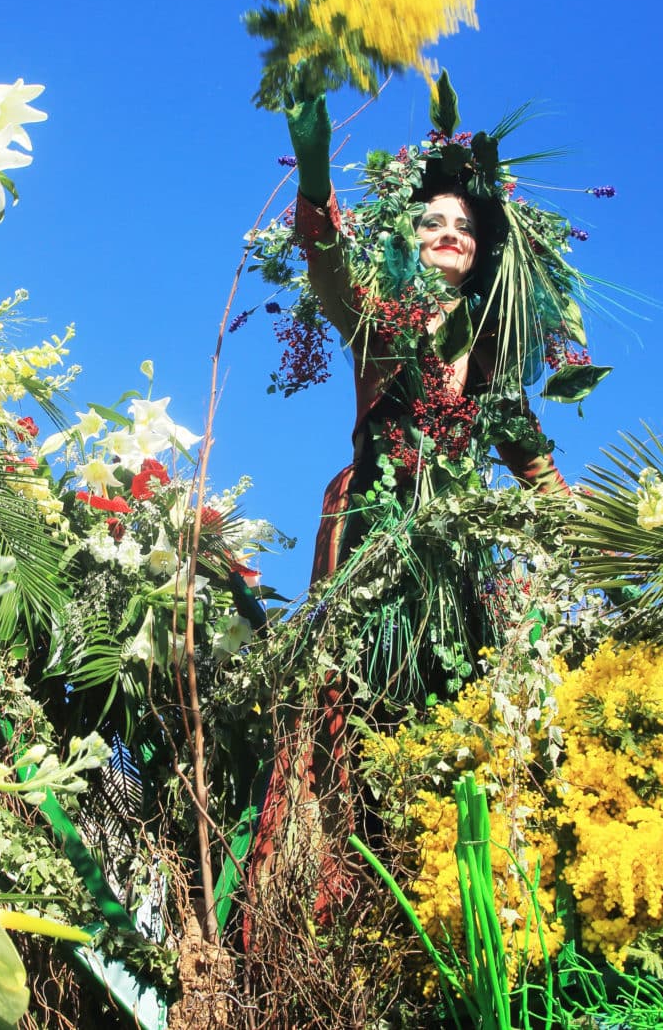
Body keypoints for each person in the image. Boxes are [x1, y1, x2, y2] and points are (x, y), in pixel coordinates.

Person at [242, 79, 605, 930]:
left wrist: (627, 535)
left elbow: (546, 484)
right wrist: (317, 167)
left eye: (464, 228)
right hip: (372, 536)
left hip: (458, 563)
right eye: (431, 222)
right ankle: (330, 888)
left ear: (483, 254)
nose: (448, 235)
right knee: (353, 704)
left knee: (449, 715)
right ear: (407, 238)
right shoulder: (381, 319)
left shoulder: (496, 372)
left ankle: (429, 895)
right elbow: (328, 268)